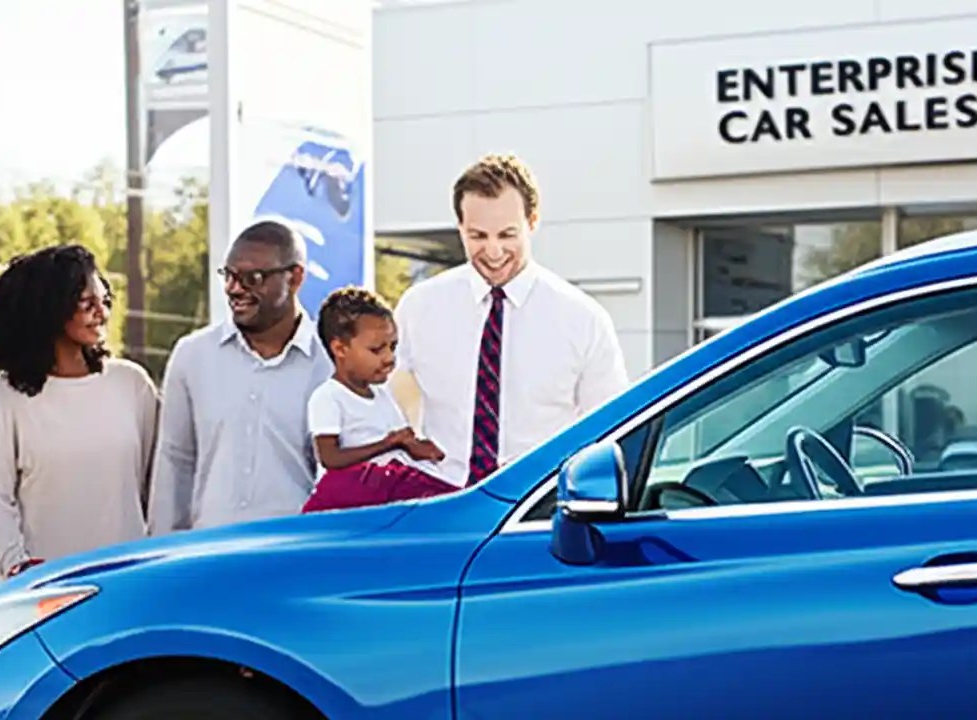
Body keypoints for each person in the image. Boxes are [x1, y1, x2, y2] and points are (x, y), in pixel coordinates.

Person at [390, 153, 630, 487]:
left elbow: (610, 431)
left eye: (506, 235)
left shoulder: (583, 319)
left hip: (536, 509)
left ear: (532, 222)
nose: (492, 251)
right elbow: (376, 401)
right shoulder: (419, 307)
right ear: (459, 226)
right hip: (440, 503)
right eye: (477, 236)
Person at [0, 244, 158, 580]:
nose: (101, 313)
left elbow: (159, 490)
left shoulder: (132, 384)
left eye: (105, 302)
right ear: (51, 309)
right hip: (48, 589)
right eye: (87, 304)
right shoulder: (7, 395)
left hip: (131, 581)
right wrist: (16, 569)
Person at [147, 219, 333, 534]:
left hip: (297, 557)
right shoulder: (193, 355)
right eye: (230, 275)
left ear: (295, 277)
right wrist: (161, 552)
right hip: (209, 556)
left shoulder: (329, 363)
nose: (235, 289)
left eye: (252, 278)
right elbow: (175, 461)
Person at [301, 287, 457, 513]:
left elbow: (400, 443)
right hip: (351, 495)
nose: (389, 359)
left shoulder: (384, 394)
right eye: (377, 350)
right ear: (340, 348)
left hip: (387, 492)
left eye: (393, 347)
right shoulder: (329, 397)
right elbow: (330, 458)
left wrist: (418, 447)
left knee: (451, 499)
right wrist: (387, 444)